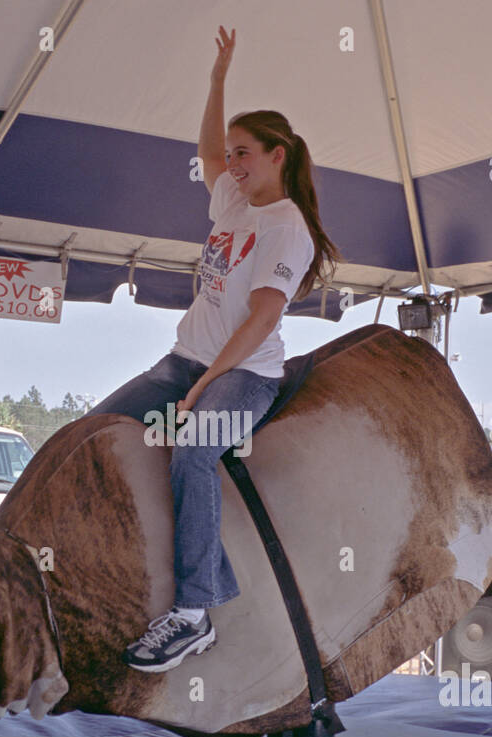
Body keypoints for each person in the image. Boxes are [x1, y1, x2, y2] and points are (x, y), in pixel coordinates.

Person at [88, 25, 340, 673]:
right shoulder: (232, 200)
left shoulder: (289, 230)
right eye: (231, 154)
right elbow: (204, 152)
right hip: (182, 362)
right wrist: (217, 79)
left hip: (246, 374)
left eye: (244, 152)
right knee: (97, 429)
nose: (232, 163)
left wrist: (204, 387)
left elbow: (260, 320)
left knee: (196, 444)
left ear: (278, 154)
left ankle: (194, 613)